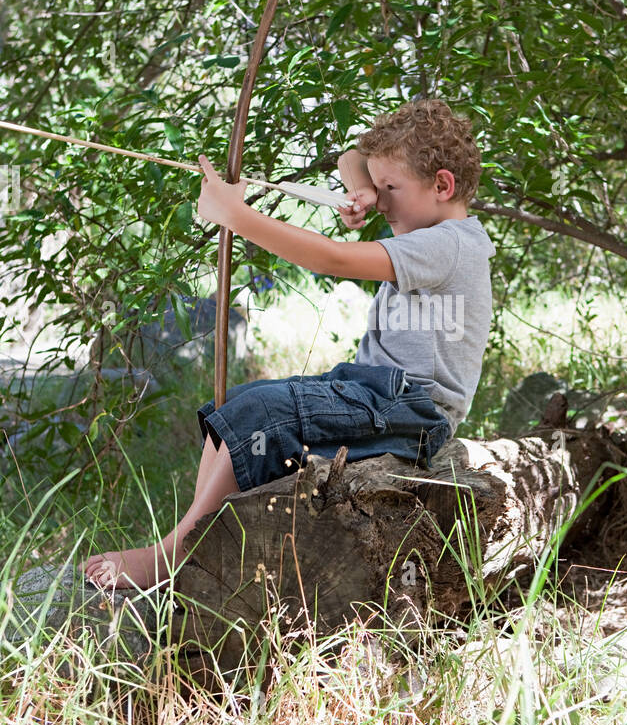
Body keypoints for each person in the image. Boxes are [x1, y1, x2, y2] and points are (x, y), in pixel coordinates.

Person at [81, 98, 496, 590]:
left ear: (442, 185)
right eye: (379, 189)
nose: (381, 204)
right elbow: (352, 158)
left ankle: (174, 554)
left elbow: (332, 259)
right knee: (236, 405)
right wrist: (365, 186)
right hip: (375, 392)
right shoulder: (437, 231)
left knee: (262, 412)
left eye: (391, 189)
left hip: (413, 412)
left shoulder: (448, 244)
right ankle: (193, 537)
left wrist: (237, 216)